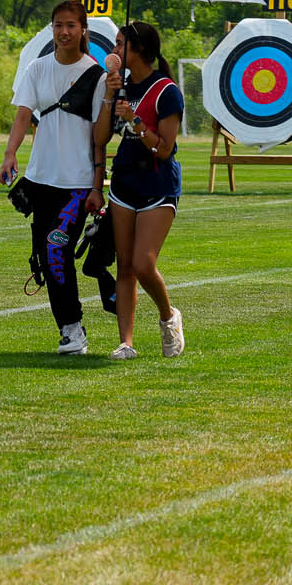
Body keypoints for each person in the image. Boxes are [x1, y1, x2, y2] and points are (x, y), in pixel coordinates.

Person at [0, 0, 110, 355]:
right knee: (47, 258)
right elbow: (22, 116)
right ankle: (69, 329)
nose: (64, 32)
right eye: (58, 25)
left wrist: (97, 184)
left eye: (71, 26)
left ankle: (74, 329)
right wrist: (10, 153)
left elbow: (100, 135)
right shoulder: (37, 68)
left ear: (83, 31)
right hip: (41, 179)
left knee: (56, 246)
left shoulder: (97, 75)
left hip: (77, 184)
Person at [95, 19, 187, 359]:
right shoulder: (119, 86)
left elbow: (163, 148)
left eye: (121, 44)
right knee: (125, 266)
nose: (115, 50)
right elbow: (101, 138)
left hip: (157, 183)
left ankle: (168, 316)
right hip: (124, 182)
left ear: (141, 50)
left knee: (143, 263)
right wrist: (109, 95)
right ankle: (126, 342)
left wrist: (135, 120)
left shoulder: (167, 91)